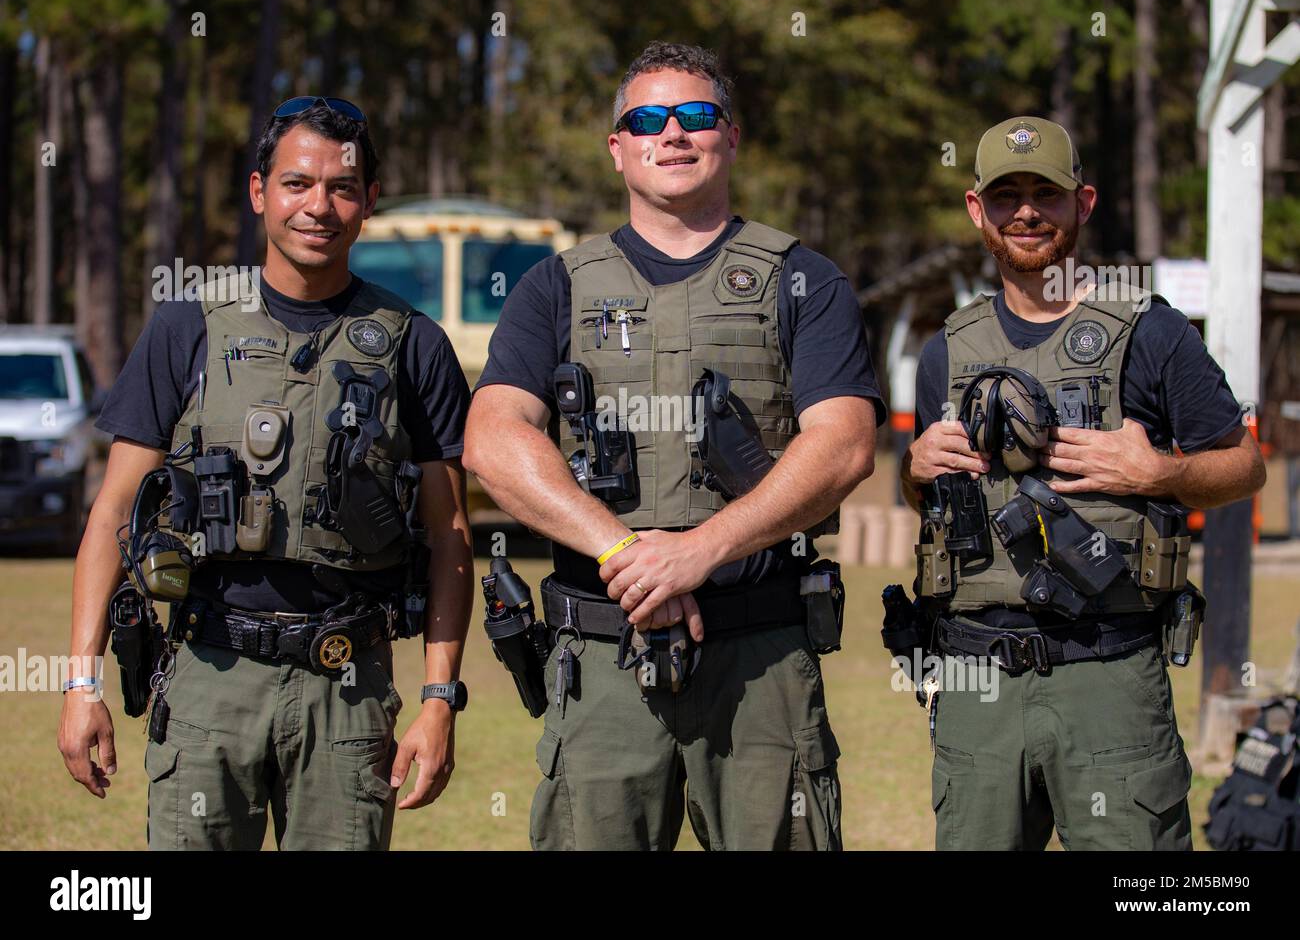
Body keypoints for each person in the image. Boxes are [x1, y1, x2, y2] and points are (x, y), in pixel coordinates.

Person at [464, 41, 883, 851]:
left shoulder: (805, 279)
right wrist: (628, 552)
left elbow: (845, 444)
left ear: (732, 136)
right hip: (601, 649)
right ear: (618, 149)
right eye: (646, 119)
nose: (673, 133)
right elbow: (492, 438)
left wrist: (702, 551)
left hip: (758, 652)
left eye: (697, 115)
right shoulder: (556, 285)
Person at [56, 97, 474, 850]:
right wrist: (81, 682)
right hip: (209, 676)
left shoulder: (414, 346)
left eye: (343, 188)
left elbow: (450, 539)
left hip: (347, 688)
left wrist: (439, 698)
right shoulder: (186, 328)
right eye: (296, 184)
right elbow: (113, 512)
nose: (320, 206)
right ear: (259, 192)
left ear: (369, 201)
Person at [899, 115, 1267, 850]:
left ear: (1084, 203)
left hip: (1109, 676)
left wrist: (1160, 471)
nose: (1027, 212)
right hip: (977, 679)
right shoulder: (949, 348)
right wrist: (915, 473)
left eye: (1047, 193)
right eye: (1006, 196)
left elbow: (1244, 465)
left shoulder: (1151, 332)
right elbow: (931, 503)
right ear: (978, 210)